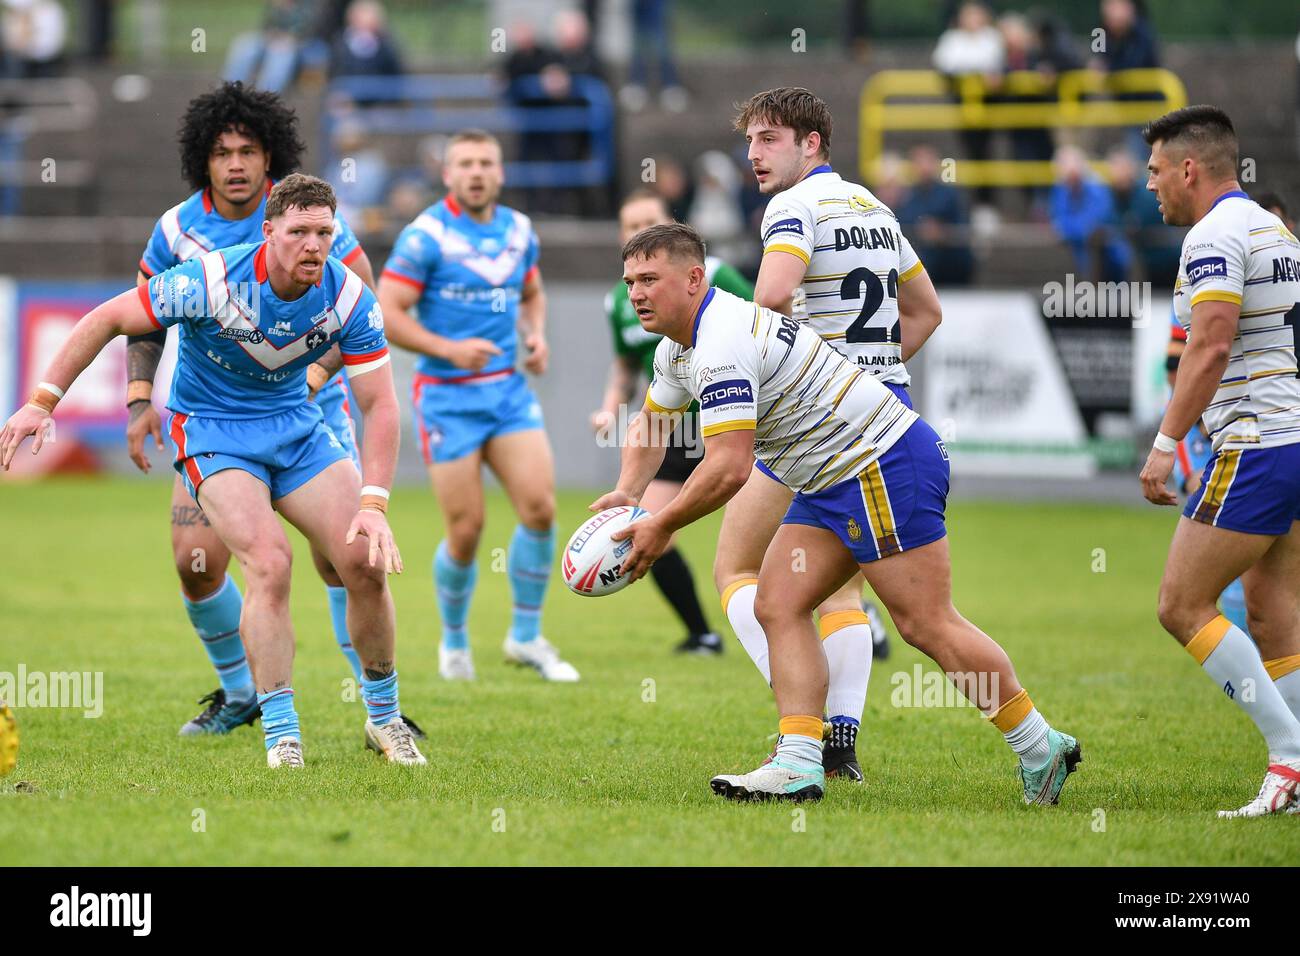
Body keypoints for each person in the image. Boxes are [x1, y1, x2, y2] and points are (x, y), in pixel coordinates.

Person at [593, 223, 1081, 804]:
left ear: (695, 278)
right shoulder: (678, 348)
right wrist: (628, 492)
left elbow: (729, 467)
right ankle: (800, 761)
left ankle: (1038, 745)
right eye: (630, 283)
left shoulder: (721, 337)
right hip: (833, 477)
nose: (637, 294)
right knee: (779, 604)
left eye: (650, 279)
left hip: (880, 464)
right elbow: (652, 422)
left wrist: (662, 523)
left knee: (925, 622)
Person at [2, 175, 425, 769]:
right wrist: (42, 401)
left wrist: (374, 505)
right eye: (299, 232)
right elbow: (108, 319)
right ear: (269, 231)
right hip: (214, 433)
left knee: (362, 560)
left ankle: (384, 721)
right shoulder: (210, 279)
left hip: (295, 427)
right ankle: (281, 731)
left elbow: (380, 403)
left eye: (324, 233)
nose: (313, 245)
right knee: (270, 565)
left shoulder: (349, 297)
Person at [125, 82, 422, 739]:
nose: (235, 164)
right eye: (221, 152)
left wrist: (314, 373)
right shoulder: (176, 230)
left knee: (341, 557)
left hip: (310, 410)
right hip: (213, 416)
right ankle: (243, 695)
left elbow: (361, 313)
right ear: (202, 159)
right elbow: (141, 320)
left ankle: (380, 710)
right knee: (195, 562)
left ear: (270, 159)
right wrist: (139, 399)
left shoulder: (310, 219)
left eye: (249, 151)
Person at [715, 87, 936, 783]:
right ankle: (834, 740)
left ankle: (800, 731)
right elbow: (925, 312)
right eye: (750, 140)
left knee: (739, 571)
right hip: (883, 416)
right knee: (843, 594)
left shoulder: (792, 206)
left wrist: (784, 369)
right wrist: (872, 371)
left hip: (818, 425)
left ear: (812, 144)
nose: (753, 154)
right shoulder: (874, 207)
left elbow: (772, 295)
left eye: (770, 139)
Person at [1138, 105, 1300, 817]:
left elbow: (1210, 343)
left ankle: (1289, 758)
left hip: (1258, 445)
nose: (1150, 187)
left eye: (1154, 172)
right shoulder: (1277, 231)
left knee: (1181, 604)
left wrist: (1166, 444)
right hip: (1292, 439)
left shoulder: (1216, 234)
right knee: (1269, 609)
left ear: (1188, 168)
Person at [378, 130, 577, 683]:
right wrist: (449, 349)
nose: (476, 172)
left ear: (501, 172)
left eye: (485, 163)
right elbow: (387, 312)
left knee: (539, 509)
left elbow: (531, 292)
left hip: (507, 391)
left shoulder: (519, 230)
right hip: (446, 397)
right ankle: (455, 641)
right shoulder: (426, 236)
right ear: (447, 174)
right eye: (464, 164)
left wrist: (536, 336)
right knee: (467, 529)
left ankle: (526, 636)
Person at [590, 188, 753, 654]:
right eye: (628, 226)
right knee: (648, 527)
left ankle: (856, 616)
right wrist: (627, 488)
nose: (637, 232)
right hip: (682, 428)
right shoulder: (627, 310)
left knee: (784, 556)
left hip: (745, 422)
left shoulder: (717, 287)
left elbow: (763, 314)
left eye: (648, 222)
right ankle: (702, 634)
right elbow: (631, 376)